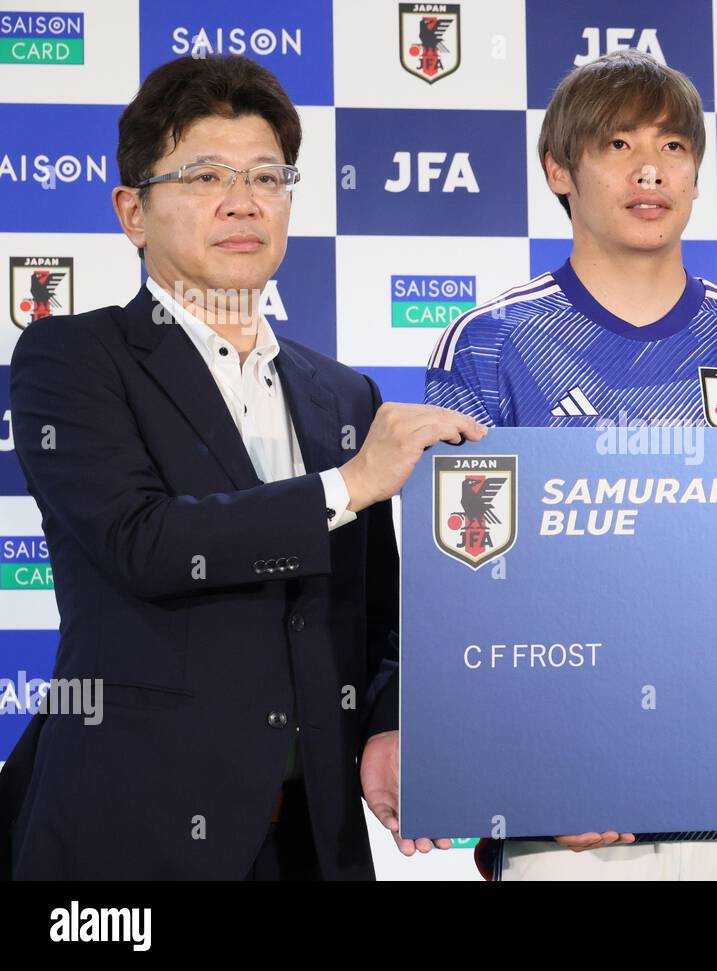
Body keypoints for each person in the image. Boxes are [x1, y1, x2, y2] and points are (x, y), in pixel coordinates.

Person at [0, 54, 482, 879]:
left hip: (313, 838)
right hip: (128, 831)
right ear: (132, 211)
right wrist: (347, 485)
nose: (242, 200)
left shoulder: (343, 393)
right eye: (204, 175)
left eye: (267, 175)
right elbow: (143, 540)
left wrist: (389, 725)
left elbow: (376, 620)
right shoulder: (71, 357)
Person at [424, 49, 717, 879]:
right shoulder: (490, 343)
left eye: (672, 147)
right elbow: (464, 583)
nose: (650, 171)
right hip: (565, 815)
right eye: (618, 145)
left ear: (696, 174)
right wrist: (522, 772)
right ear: (560, 169)